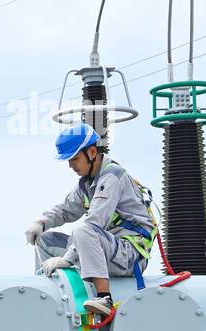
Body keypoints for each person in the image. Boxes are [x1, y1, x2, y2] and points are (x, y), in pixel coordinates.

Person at [24, 123, 154, 317]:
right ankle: (49, 292)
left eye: (74, 159)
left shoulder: (112, 177)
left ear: (92, 152)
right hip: (105, 249)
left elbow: (94, 223)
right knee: (45, 240)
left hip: (129, 254)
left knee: (84, 230)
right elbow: (66, 210)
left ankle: (104, 298)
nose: (71, 165)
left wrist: (67, 259)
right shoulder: (87, 183)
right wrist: (41, 223)